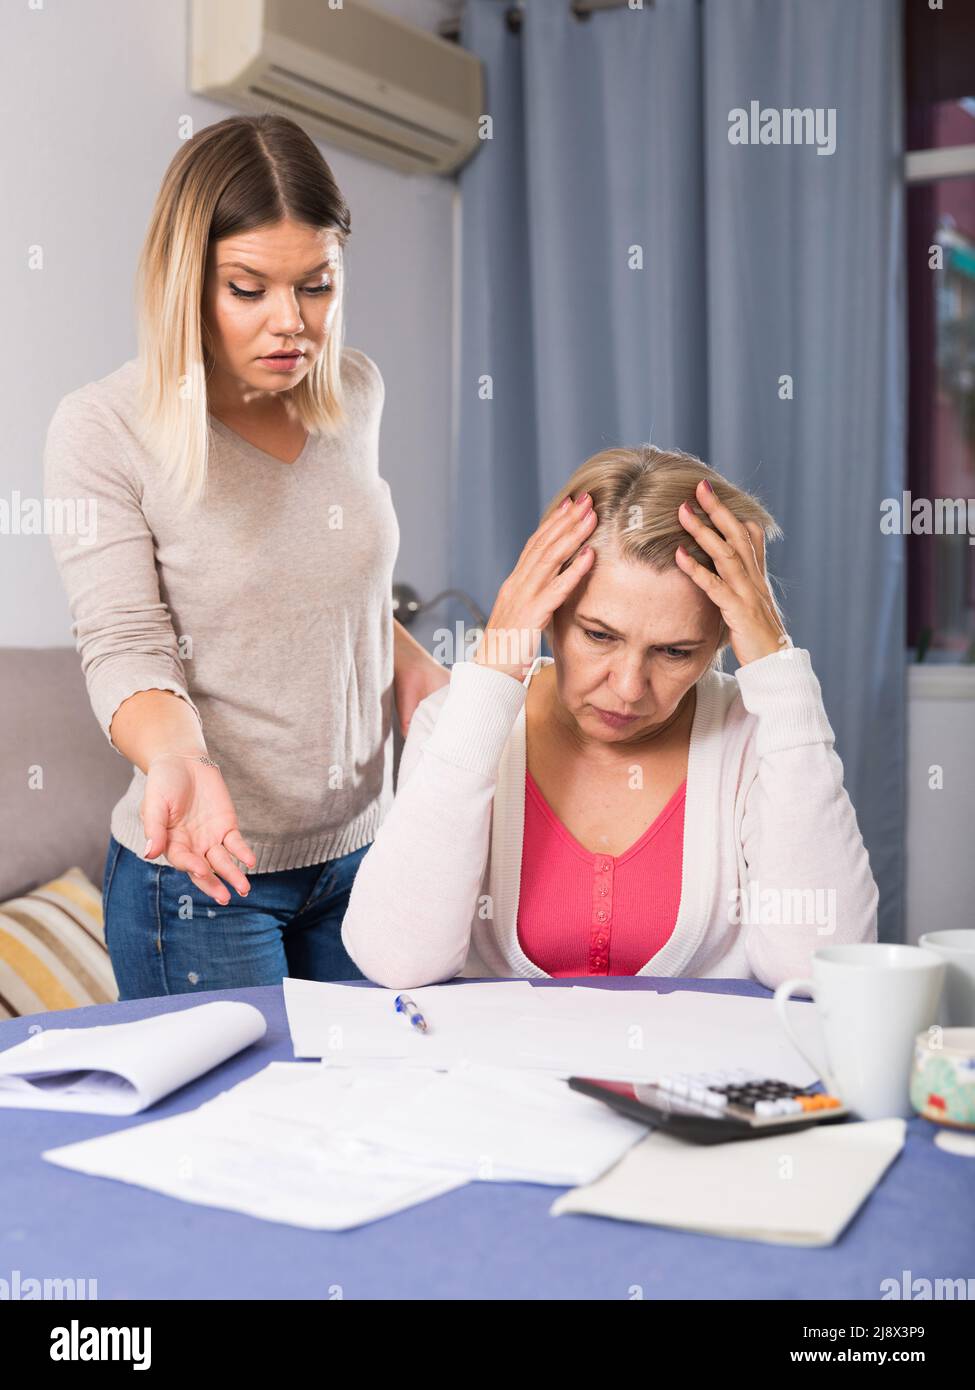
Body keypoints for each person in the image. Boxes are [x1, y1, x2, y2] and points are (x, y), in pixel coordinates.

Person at [43, 113, 448, 1000]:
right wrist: (179, 760)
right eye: (248, 288)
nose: (290, 325)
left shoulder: (352, 392)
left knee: (380, 1124)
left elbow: (331, 587)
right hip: (205, 880)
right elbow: (124, 640)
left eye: (316, 286)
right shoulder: (104, 429)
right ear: (187, 281)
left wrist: (420, 674)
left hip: (367, 858)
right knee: (241, 1135)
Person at [340, 444, 879, 988]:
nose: (628, 689)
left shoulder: (756, 733)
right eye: (599, 636)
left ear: (723, 638)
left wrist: (781, 675)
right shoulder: (457, 720)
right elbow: (396, 960)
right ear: (547, 613)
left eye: (675, 652)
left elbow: (818, 971)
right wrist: (489, 677)